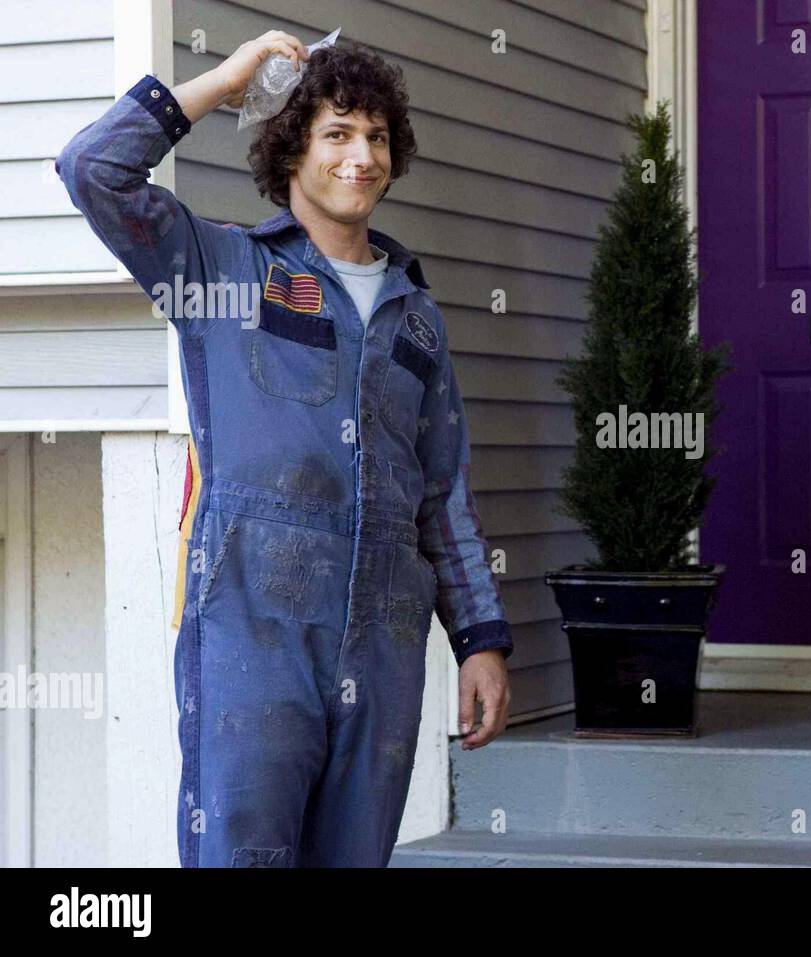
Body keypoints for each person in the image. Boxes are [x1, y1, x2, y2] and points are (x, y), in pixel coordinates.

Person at [56, 32, 513, 867]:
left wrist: (480, 638)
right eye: (336, 133)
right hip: (251, 632)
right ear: (290, 146)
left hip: (384, 639)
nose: (361, 156)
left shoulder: (418, 317)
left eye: (376, 136)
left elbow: (443, 493)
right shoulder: (223, 268)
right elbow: (93, 168)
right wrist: (224, 81)